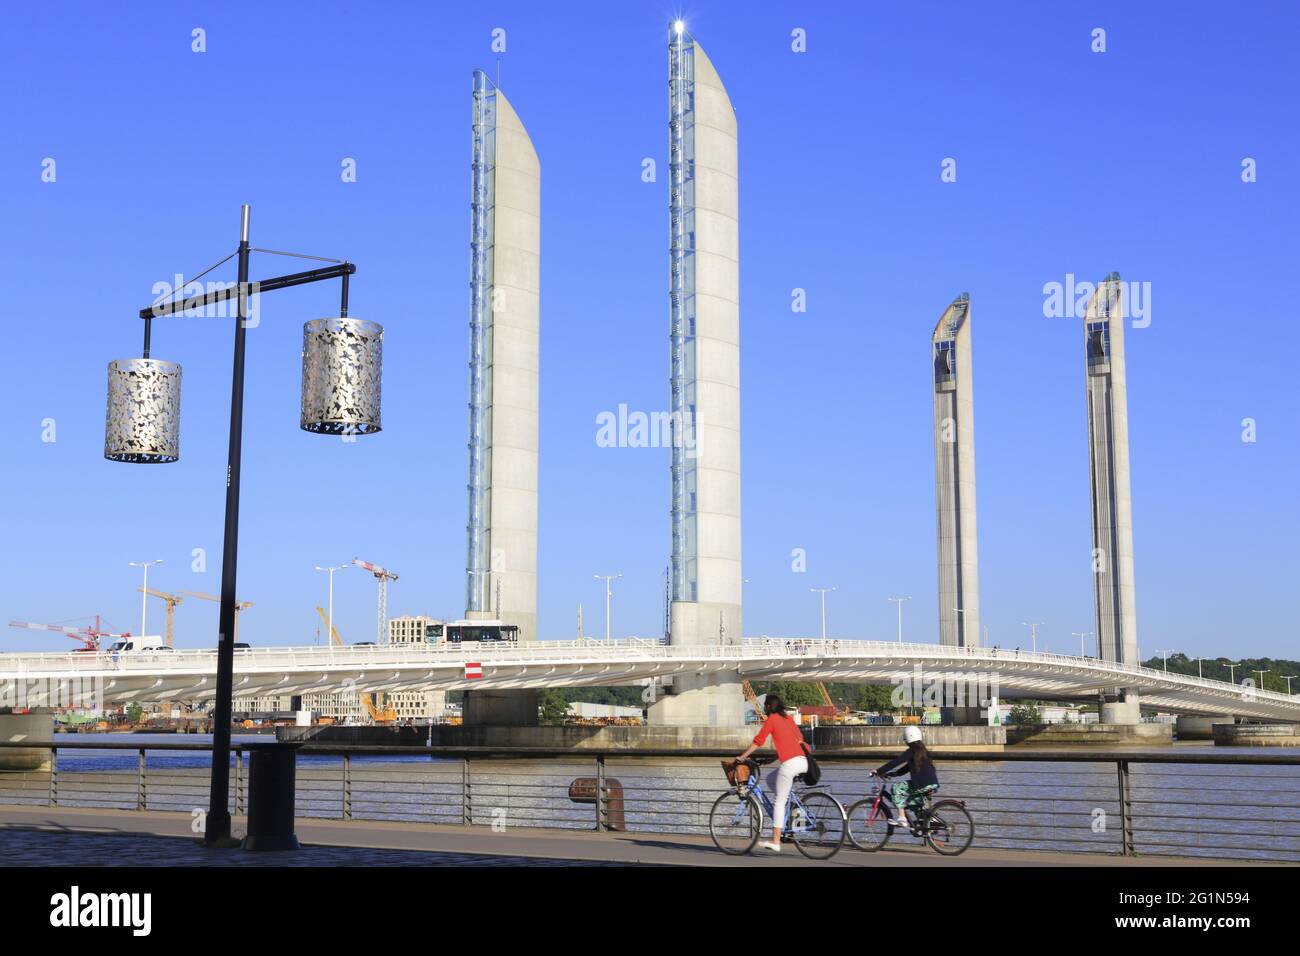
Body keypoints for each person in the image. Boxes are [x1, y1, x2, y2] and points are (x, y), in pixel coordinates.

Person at [734, 694, 808, 852]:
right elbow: (798, 740)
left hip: (790, 764)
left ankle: (776, 841)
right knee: (770, 780)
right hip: (803, 760)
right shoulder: (788, 718)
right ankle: (792, 815)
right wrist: (772, 759)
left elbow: (759, 741)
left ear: (768, 707)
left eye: (764, 706)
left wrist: (743, 756)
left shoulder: (772, 719)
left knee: (778, 802)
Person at [876, 725, 939, 827]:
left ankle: (902, 818)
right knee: (913, 802)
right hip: (932, 783)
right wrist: (892, 774)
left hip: (921, 784)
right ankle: (929, 821)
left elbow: (896, 762)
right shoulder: (923, 751)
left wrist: (878, 771)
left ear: (907, 738)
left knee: (896, 788)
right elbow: (905, 769)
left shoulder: (911, 751)